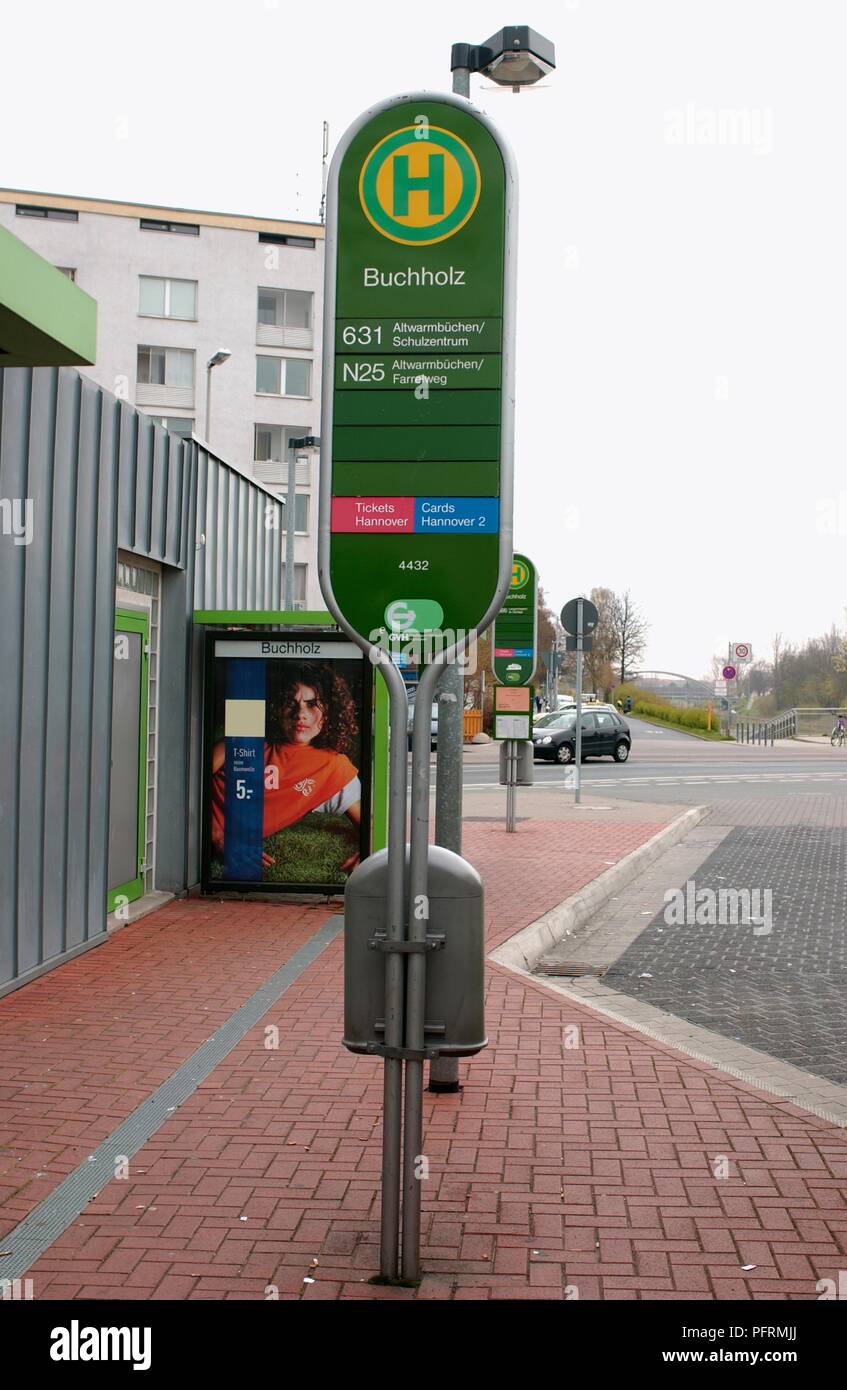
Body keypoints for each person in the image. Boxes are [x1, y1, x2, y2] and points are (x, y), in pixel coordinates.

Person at [211, 662, 362, 872]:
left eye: (312, 704)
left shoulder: (334, 766)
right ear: (276, 708)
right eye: (290, 703)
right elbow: (186, 783)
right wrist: (217, 835)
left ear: (329, 712)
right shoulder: (246, 730)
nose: (300, 714)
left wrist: (369, 850)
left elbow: (369, 821)